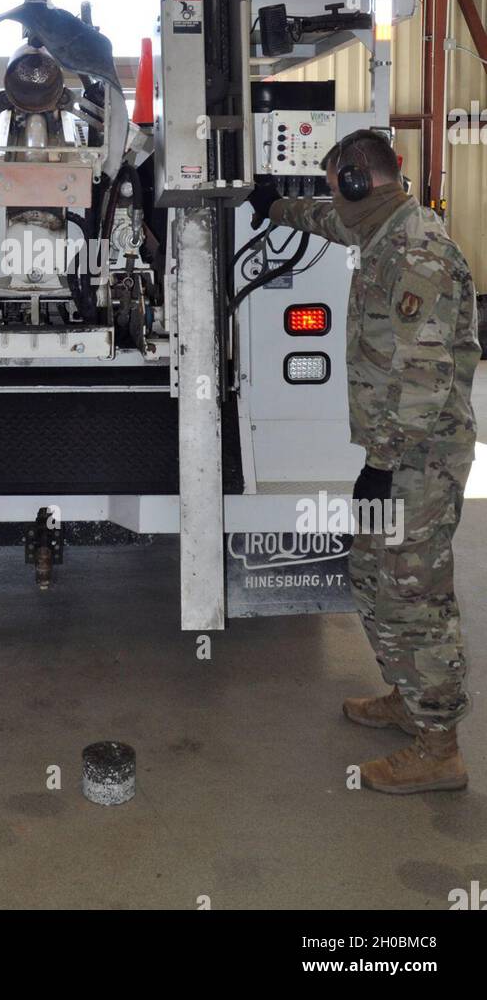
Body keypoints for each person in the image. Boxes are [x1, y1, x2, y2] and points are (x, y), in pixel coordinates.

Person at [249, 130, 479, 793]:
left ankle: (439, 746)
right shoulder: (379, 225)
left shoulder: (414, 253)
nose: (330, 199)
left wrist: (381, 461)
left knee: (414, 593)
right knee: (373, 573)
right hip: (398, 453)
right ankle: (408, 700)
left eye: (332, 184)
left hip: (419, 456)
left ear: (355, 180)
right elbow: (327, 221)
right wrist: (272, 206)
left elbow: (422, 376)